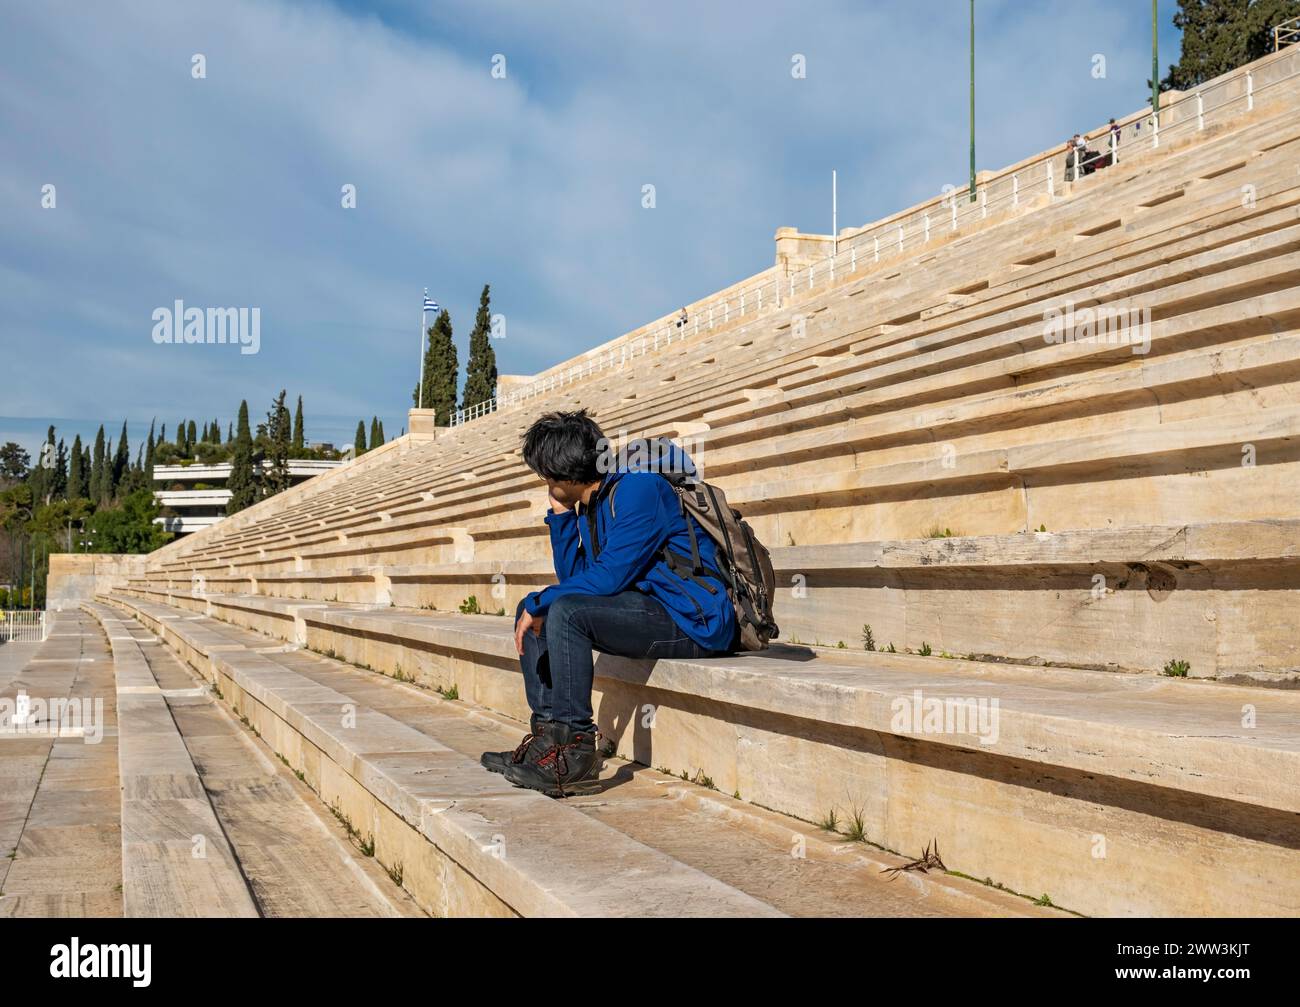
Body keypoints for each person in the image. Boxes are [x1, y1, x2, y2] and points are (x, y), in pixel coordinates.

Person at [480, 409, 738, 796]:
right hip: (651, 609)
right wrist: (563, 517)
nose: (544, 482)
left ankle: (576, 751)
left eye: (545, 475)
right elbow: (576, 581)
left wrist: (544, 600)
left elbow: (609, 577)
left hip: (695, 621)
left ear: (560, 472)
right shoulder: (593, 504)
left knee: (557, 608)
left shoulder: (639, 489)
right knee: (540, 607)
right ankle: (549, 740)